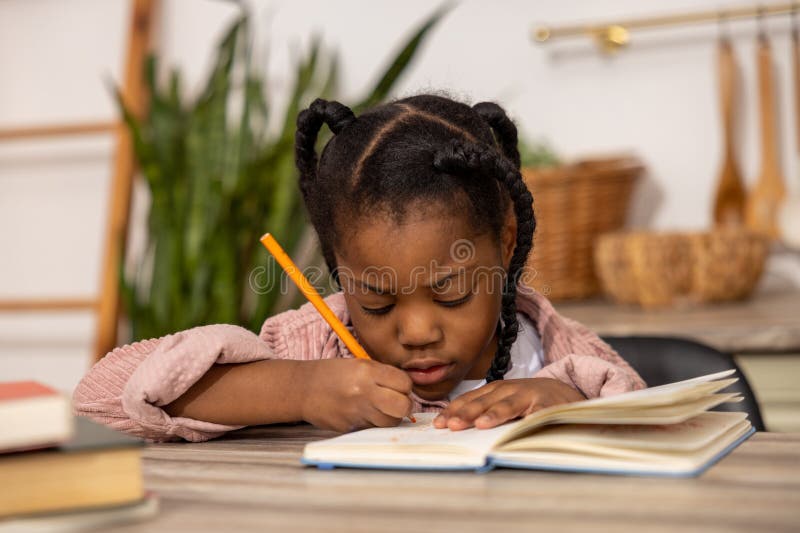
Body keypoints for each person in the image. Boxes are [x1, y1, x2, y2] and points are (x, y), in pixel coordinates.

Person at [73, 94, 645, 442]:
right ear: (341, 272)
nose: (417, 331)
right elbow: (99, 397)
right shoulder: (320, 345)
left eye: (449, 294)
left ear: (506, 244)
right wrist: (296, 391)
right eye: (376, 301)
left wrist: (567, 407)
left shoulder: (557, 351)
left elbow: (651, 420)